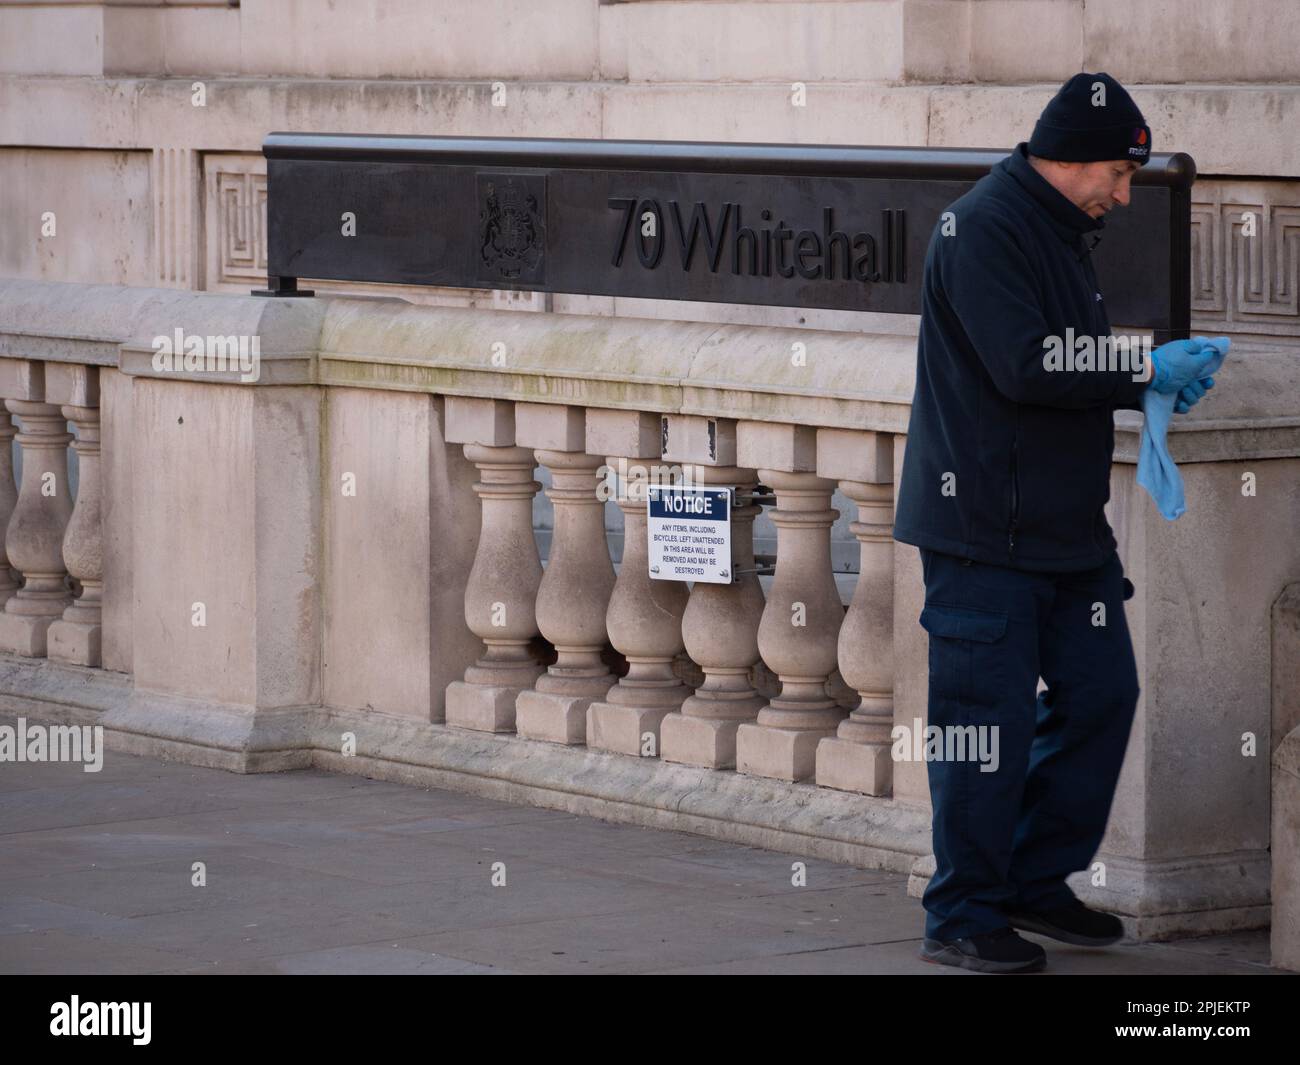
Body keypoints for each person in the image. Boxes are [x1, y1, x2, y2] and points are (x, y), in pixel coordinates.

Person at [892, 71, 1219, 974]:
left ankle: (1033, 880)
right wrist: (1145, 368)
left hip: (1064, 530)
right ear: (1067, 157)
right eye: (1116, 173)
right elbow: (1027, 363)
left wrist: (1143, 371)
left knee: (1102, 694)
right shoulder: (985, 227)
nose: (1122, 193)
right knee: (979, 723)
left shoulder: (1061, 226)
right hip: (982, 531)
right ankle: (960, 911)